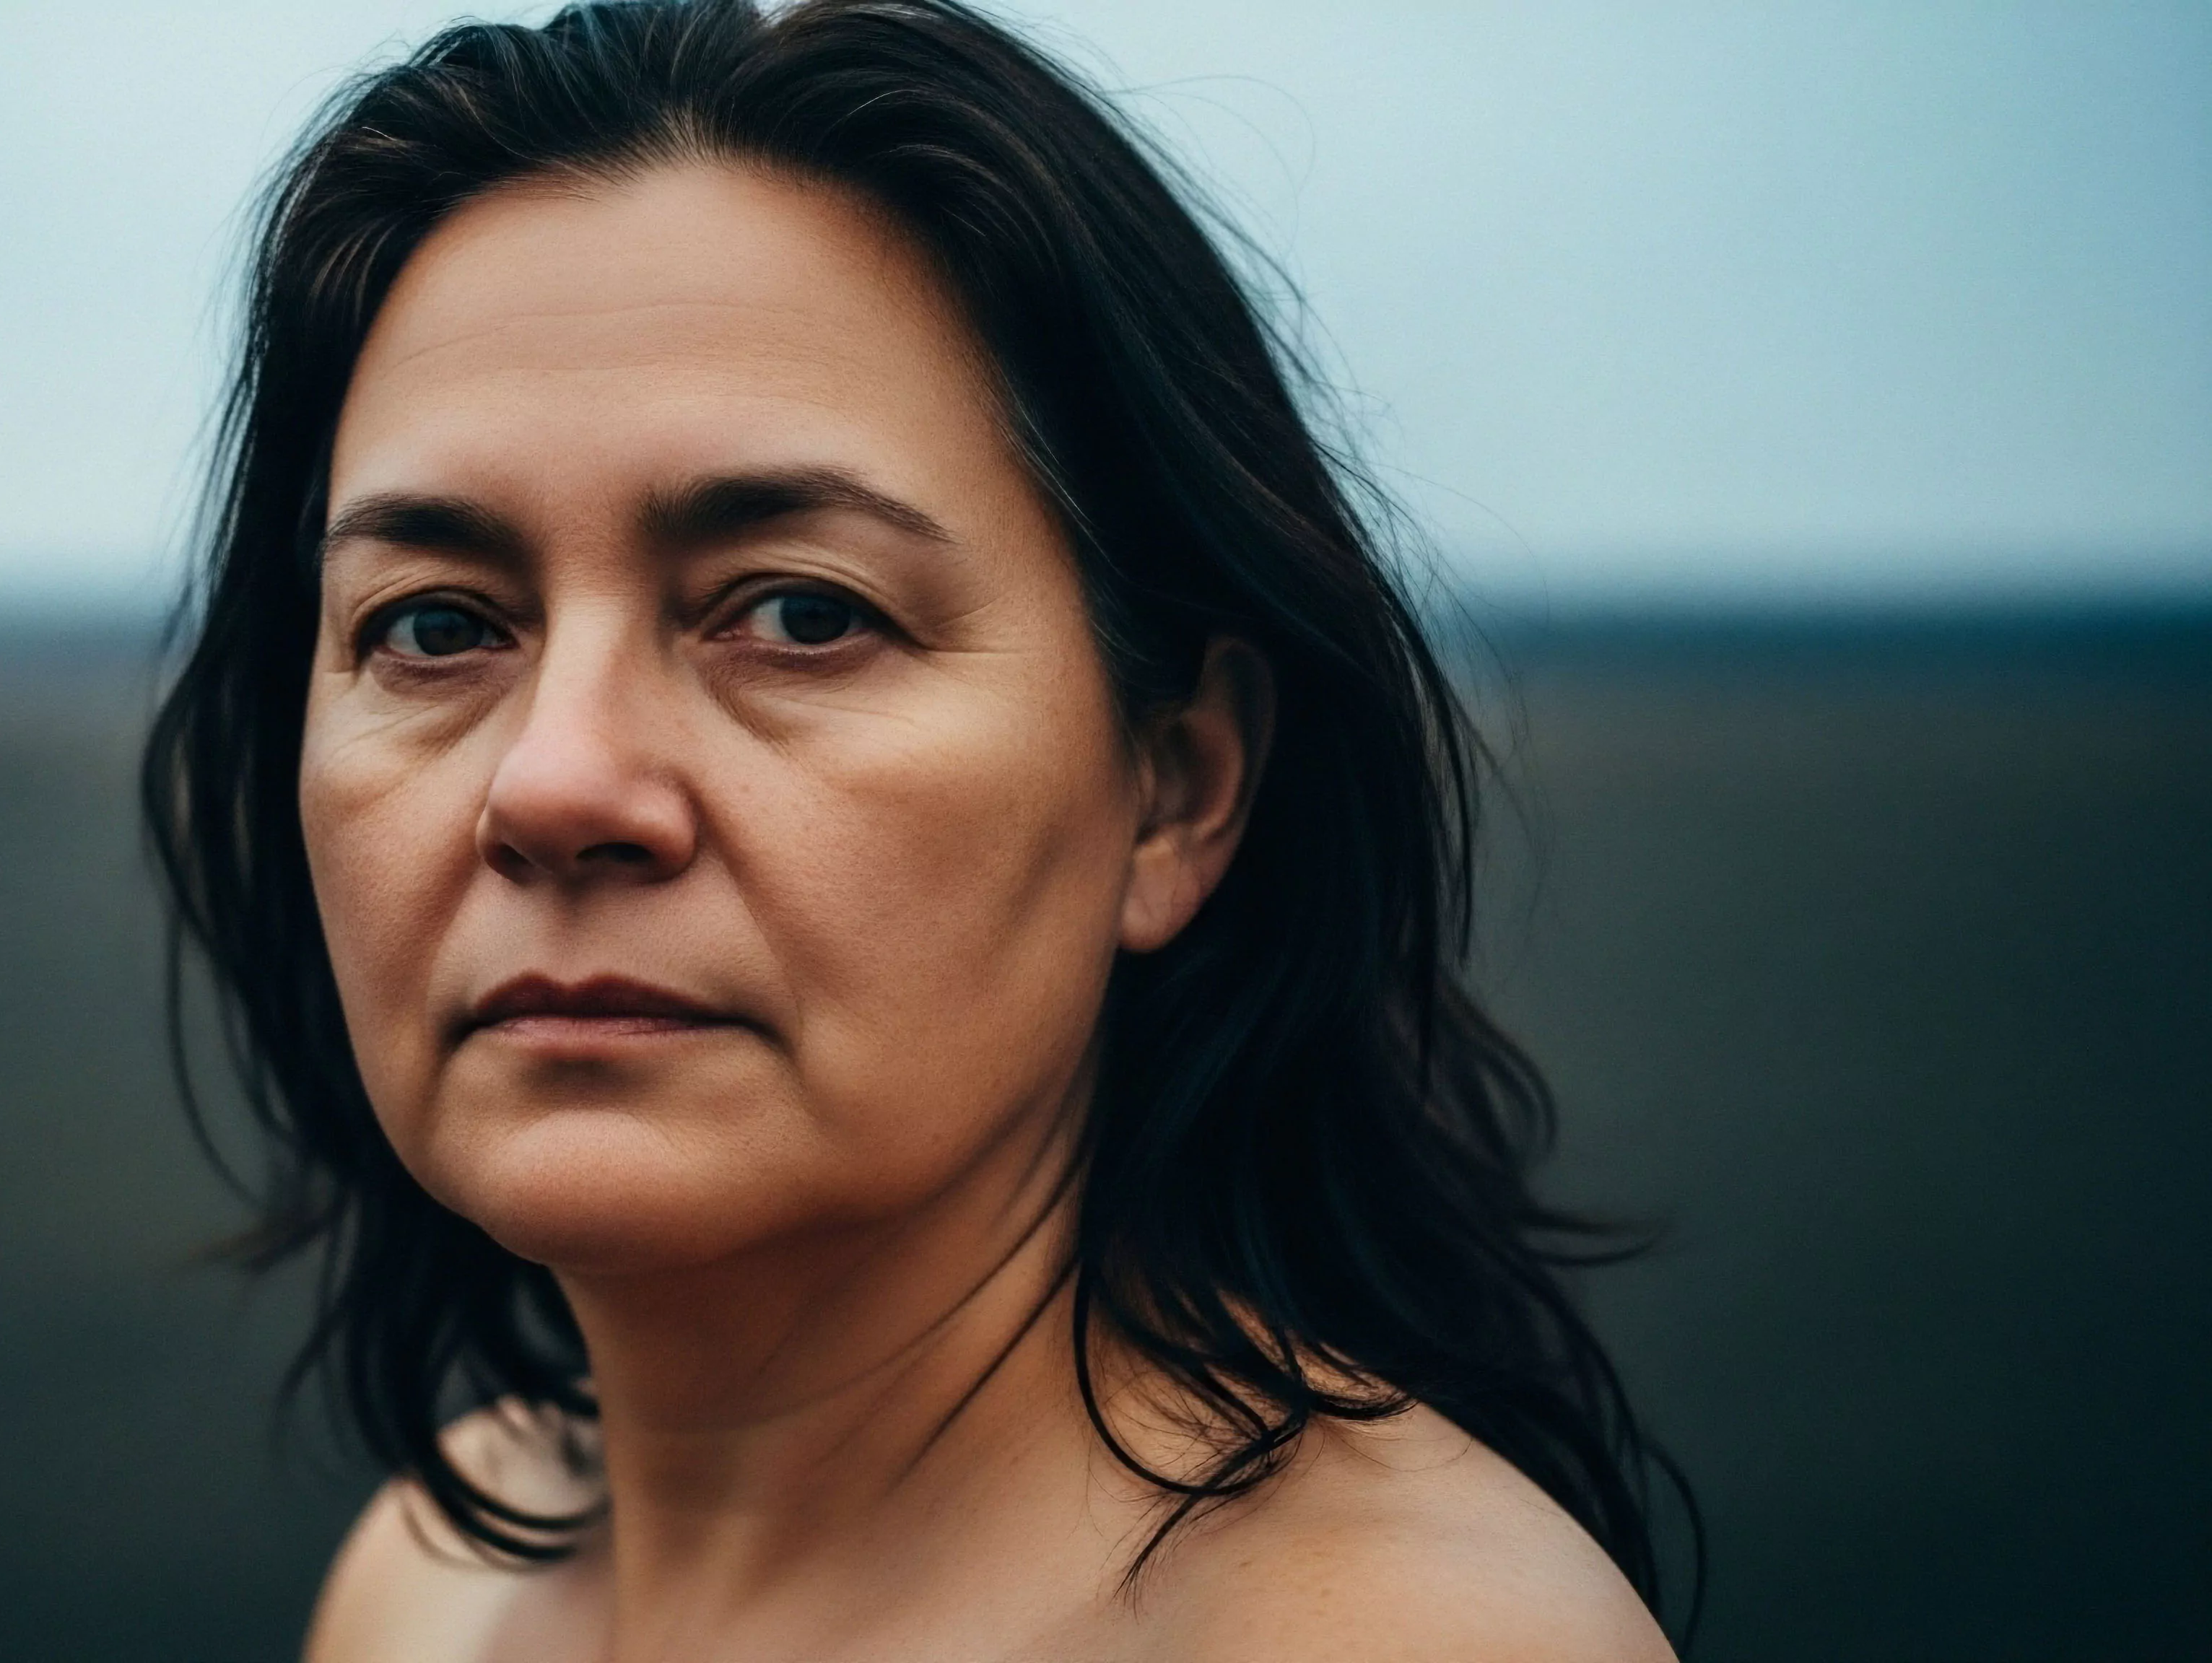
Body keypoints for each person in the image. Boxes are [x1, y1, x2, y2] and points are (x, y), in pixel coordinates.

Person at [144, 1, 1693, 1656]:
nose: (556, 786)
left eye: (802, 614)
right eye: (437, 628)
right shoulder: (430, 1589)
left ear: (1175, 785)